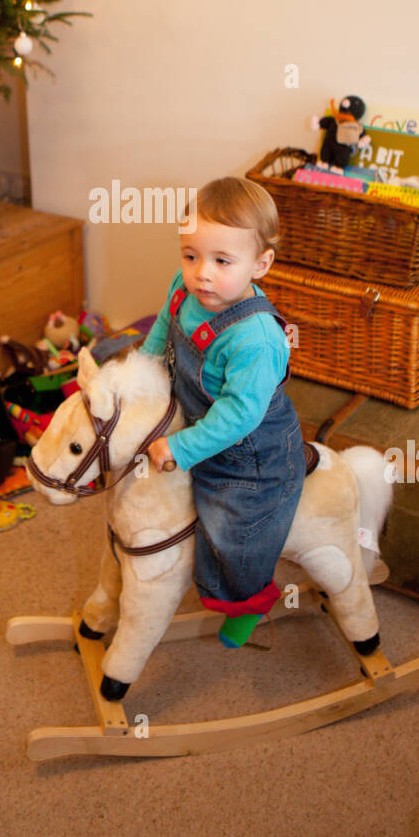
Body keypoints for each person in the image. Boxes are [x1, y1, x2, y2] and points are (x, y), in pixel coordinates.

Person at [140, 176, 307, 648]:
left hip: (251, 454)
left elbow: (238, 417)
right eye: (190, 255)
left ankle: (246, 602)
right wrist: (144, 371)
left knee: (232, 528)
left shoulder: (255, 337)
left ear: (261, 263)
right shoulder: (184, 289)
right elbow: (163, 330)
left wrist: (181, 446)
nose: (201, 274)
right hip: (195, 416)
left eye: (221, 261)